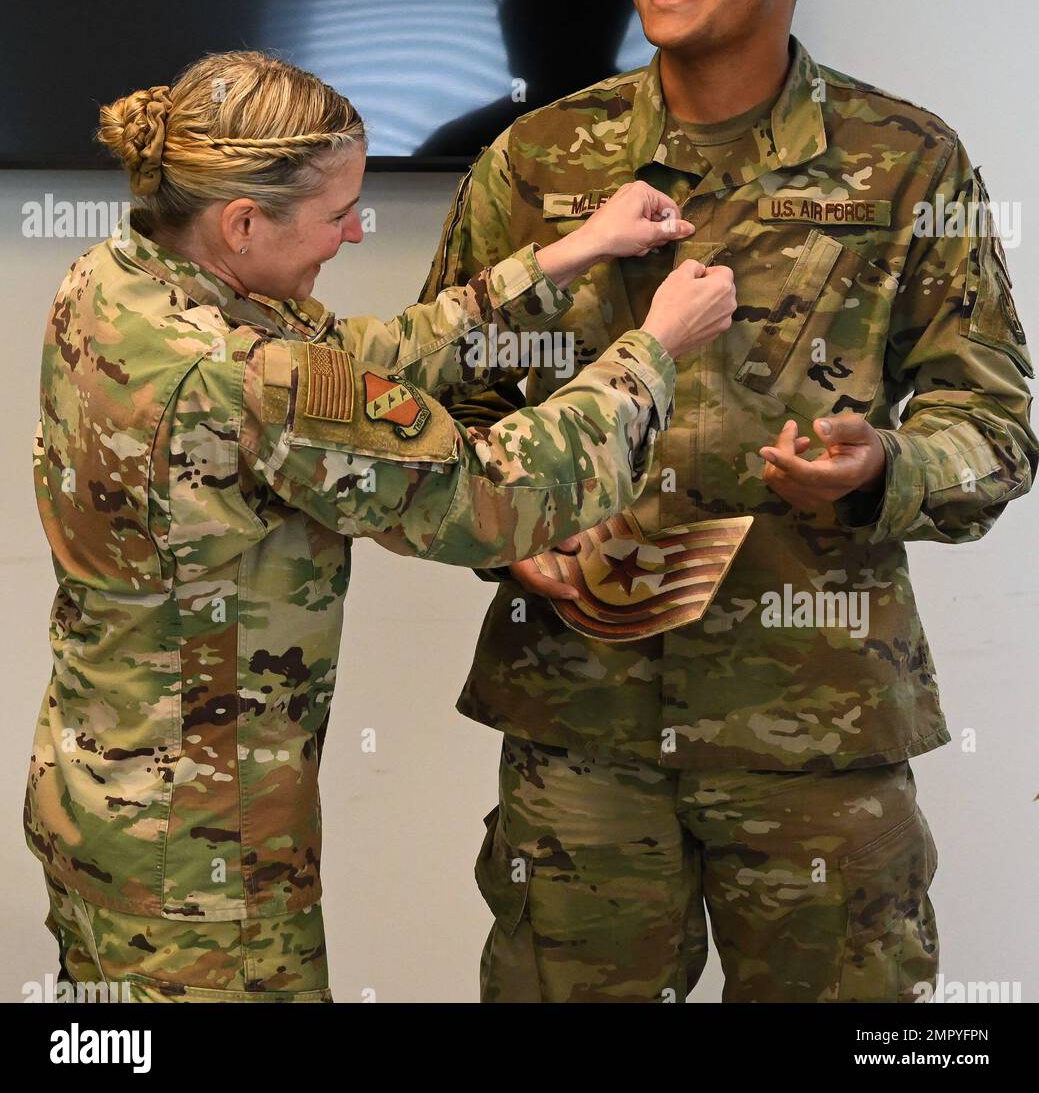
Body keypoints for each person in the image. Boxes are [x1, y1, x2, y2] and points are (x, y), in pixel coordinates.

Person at [419, 0, 1037, 1002]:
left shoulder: (906, 160)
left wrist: (883, 467)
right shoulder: (539, 160)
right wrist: (523, 532)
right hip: (585, 724)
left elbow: (995, 424)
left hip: (813, 729)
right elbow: (440, 411)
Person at [24, 49, 738, 1003]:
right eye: (335, 215)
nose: (354, 233)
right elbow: (489, 500)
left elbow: (349, 365)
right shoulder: (249, 379)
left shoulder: (115, 281)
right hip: (202, 865)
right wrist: (653, 350)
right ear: (241, 223)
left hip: (97, 802)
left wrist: (563, 255)